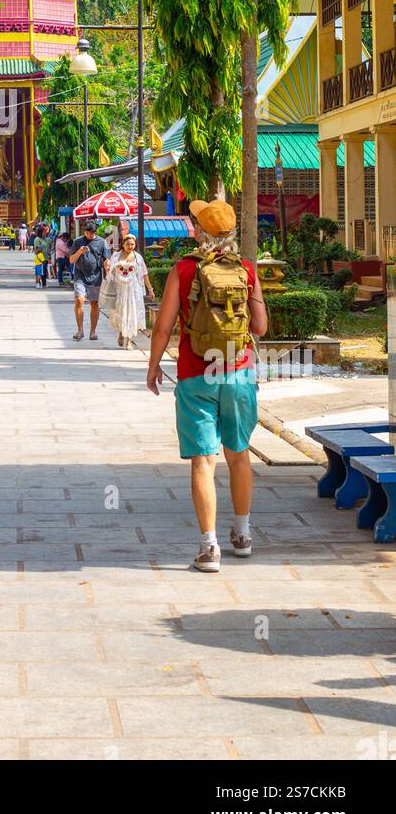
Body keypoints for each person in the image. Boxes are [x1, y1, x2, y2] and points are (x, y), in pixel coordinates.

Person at [145, 198, 267, 574]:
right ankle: (243, 535)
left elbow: (163, 327)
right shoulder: (246, 269)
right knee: (239, 453)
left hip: (196, 372)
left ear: (200, 233)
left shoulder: (183, 270)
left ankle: (209, 547)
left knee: (204, 459)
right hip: (238, 371)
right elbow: (260, 328)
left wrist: (152, 368)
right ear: (231, 234)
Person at [103, 233, 154, 348]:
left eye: (132, 244)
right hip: (119, 289)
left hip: (133, 289)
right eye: (128, 244)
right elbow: (110, 272)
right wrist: (107, 269)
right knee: (120, 312)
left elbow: (144, 274)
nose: (130, 246)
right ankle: (121, 333)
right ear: (123, 244)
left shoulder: (138, 257)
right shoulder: (116, 256)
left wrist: (150, 289)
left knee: (132, 313)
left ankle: (129, 341)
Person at [69, 218, 109, 340]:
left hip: (96, 276)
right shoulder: (77, 242)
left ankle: (93, 331)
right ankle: (80, 330)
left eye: (90, 233)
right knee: (79, 301)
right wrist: (79, 252)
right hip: (80, 275)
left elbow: (106, 259)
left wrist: (108, 267)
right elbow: (71, 260)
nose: (88, 235)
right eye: (86, 232)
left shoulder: (102, 242)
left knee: (94, 303)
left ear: (95, 231)